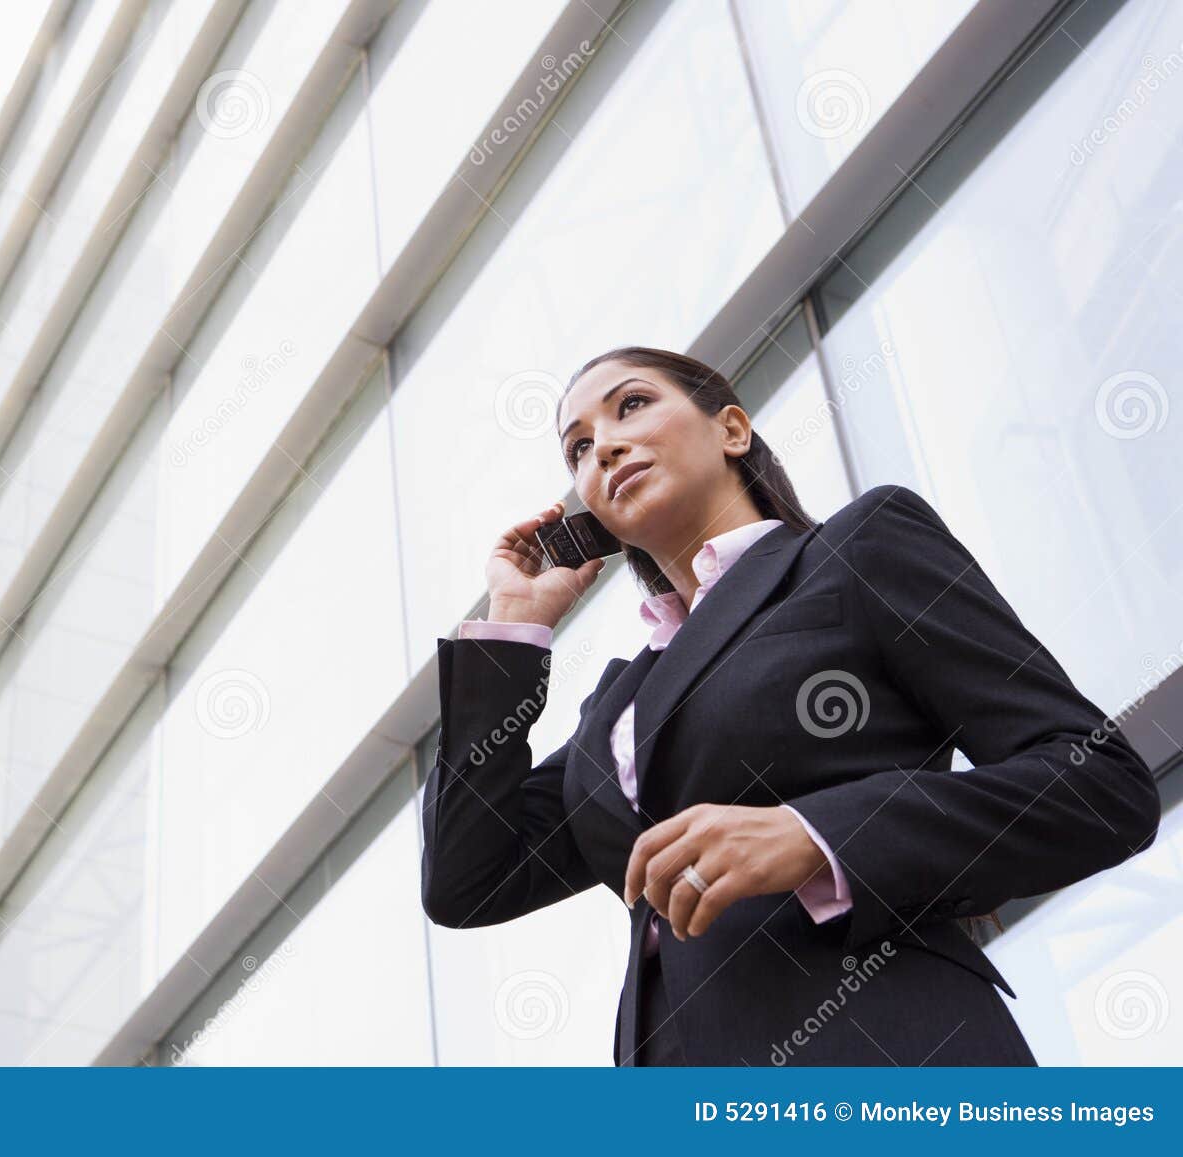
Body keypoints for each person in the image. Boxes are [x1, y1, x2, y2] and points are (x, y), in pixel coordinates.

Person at [420, 346, 1161, 1065]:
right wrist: (512, 627)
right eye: (578, 448)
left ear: (732, 430)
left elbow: (1100, 786)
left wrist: (816, 836)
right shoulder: (616, 705)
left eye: (632, 405)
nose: (603, 448)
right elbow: (465, 878)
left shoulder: (856, 551)